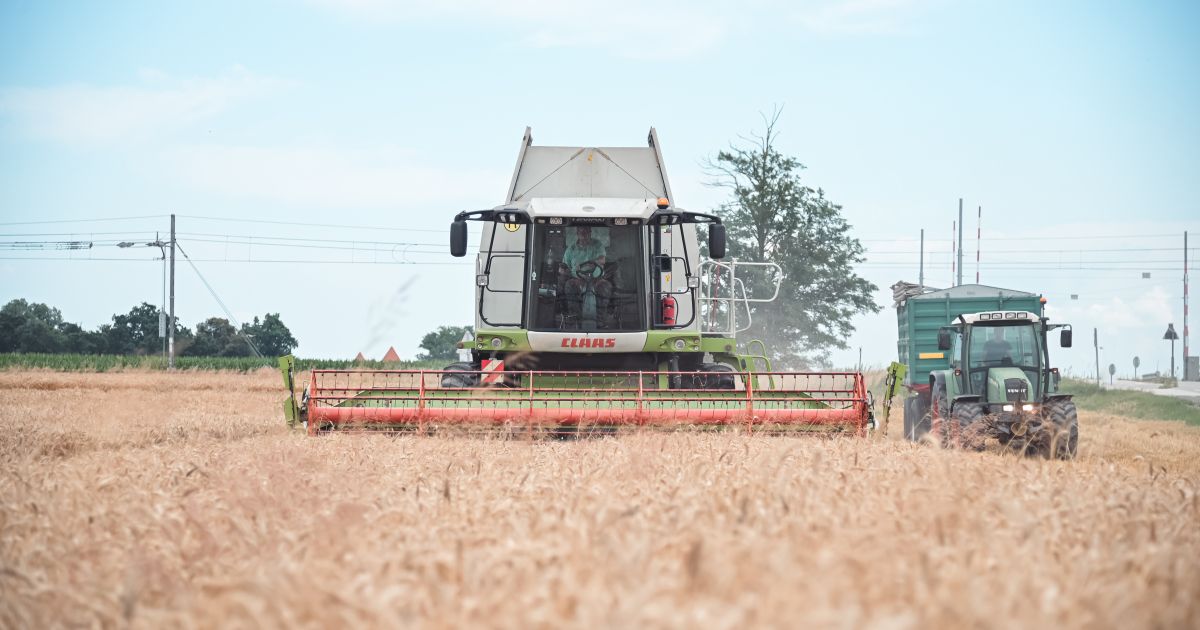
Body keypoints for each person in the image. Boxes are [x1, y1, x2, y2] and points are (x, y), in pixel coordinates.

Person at [560, 226, 612, 326]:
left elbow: (602, 260)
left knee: (605, 286)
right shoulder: (571, 249)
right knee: (569, 286)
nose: (584, 234)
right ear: (577, 233)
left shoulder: (597, 245)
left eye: (586, 232)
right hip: (578, 279)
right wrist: (564, 270)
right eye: (581, 232)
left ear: (590, 233)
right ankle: (575, 319)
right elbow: (564, 266)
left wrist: (592, 262)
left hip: (596, 279)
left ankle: (600, 320)